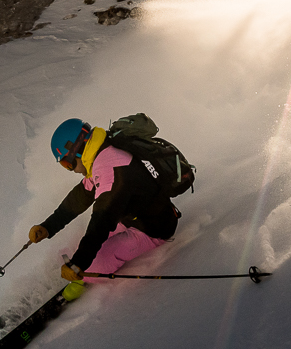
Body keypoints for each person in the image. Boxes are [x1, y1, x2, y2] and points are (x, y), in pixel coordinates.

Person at [29, 118, 180, 282]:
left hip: (152, 229)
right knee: (79, 246)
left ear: (76, 152)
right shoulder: (102, 152)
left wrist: (78, 264)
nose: (71, 170)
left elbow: (101, 221)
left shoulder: (110, 171)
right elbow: (80, 197)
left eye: (67, 164)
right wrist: (48, 226)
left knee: (92, 265)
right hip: (131, 216)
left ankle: (84, 280)